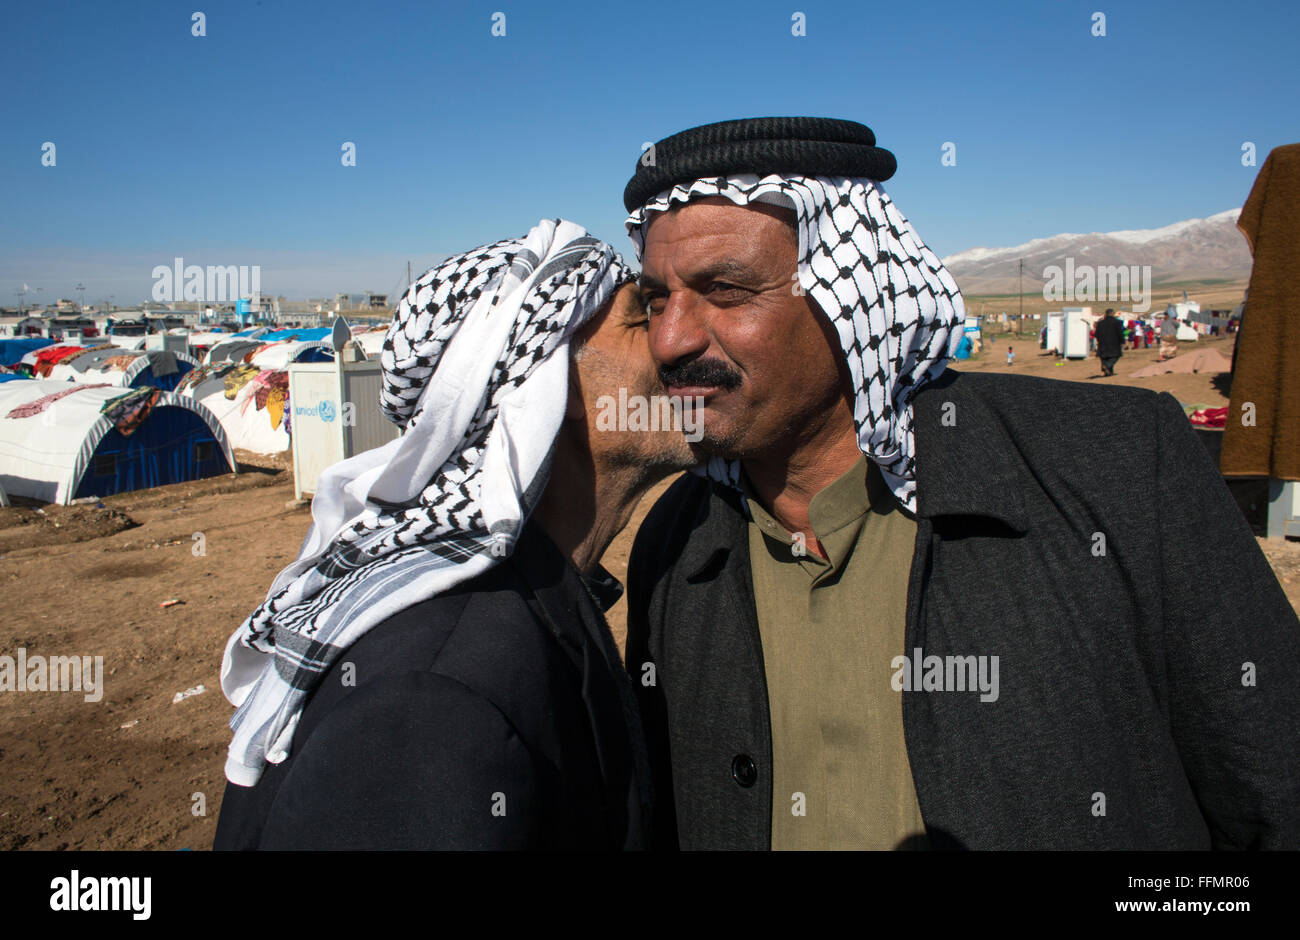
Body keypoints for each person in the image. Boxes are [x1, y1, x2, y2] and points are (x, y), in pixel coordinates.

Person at [620, 116, 1300, 850]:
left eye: (724, 290)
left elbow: (1275, 799)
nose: (671, 339)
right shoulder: (675, 539)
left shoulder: (1122, 467)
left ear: (859, 295)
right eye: (657, 299)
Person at [213, 220, 696, 849]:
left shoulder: (532, 606)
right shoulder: (431, 700)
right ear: (554, 385)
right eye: (643, 316)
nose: (676, 341)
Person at [1093, 308, 1125, 376]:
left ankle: (1108, 372)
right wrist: (1123, 341)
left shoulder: (1100, 323)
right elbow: (1120, 333)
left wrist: (1100, 340)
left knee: (1105, 358)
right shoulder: (1117, 322)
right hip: (1114, 344)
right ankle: (1107, 366)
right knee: (1114, 357)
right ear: (1113, 314)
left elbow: (1096, 334)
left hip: (1102, 344)